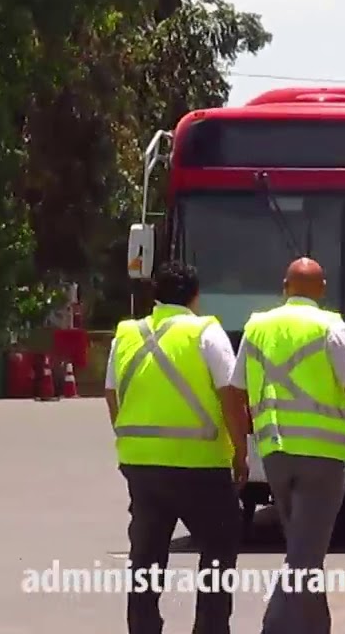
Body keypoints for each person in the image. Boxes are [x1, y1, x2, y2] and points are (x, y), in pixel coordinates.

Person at [224, 257, 345, 634]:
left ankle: (316, 627)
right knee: (305, 556)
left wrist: (240, 448)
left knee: (303, 546)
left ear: (284, 287)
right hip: (322, 457)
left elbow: (234, 391)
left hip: (275, 453)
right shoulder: (330, 326)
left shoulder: (257, 327)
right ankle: (274, 627)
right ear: (322, 289)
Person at [104, 261, 251, 634]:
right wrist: (240, 451)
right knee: (218, 550)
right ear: (195, 297)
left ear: (155, 295)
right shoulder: (206, 332)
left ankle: (143, 628)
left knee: (146, 556)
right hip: (201, 464)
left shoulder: (126, 334)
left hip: (141, 465)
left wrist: (129, 437)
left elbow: (111, 392)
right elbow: (230, 397)